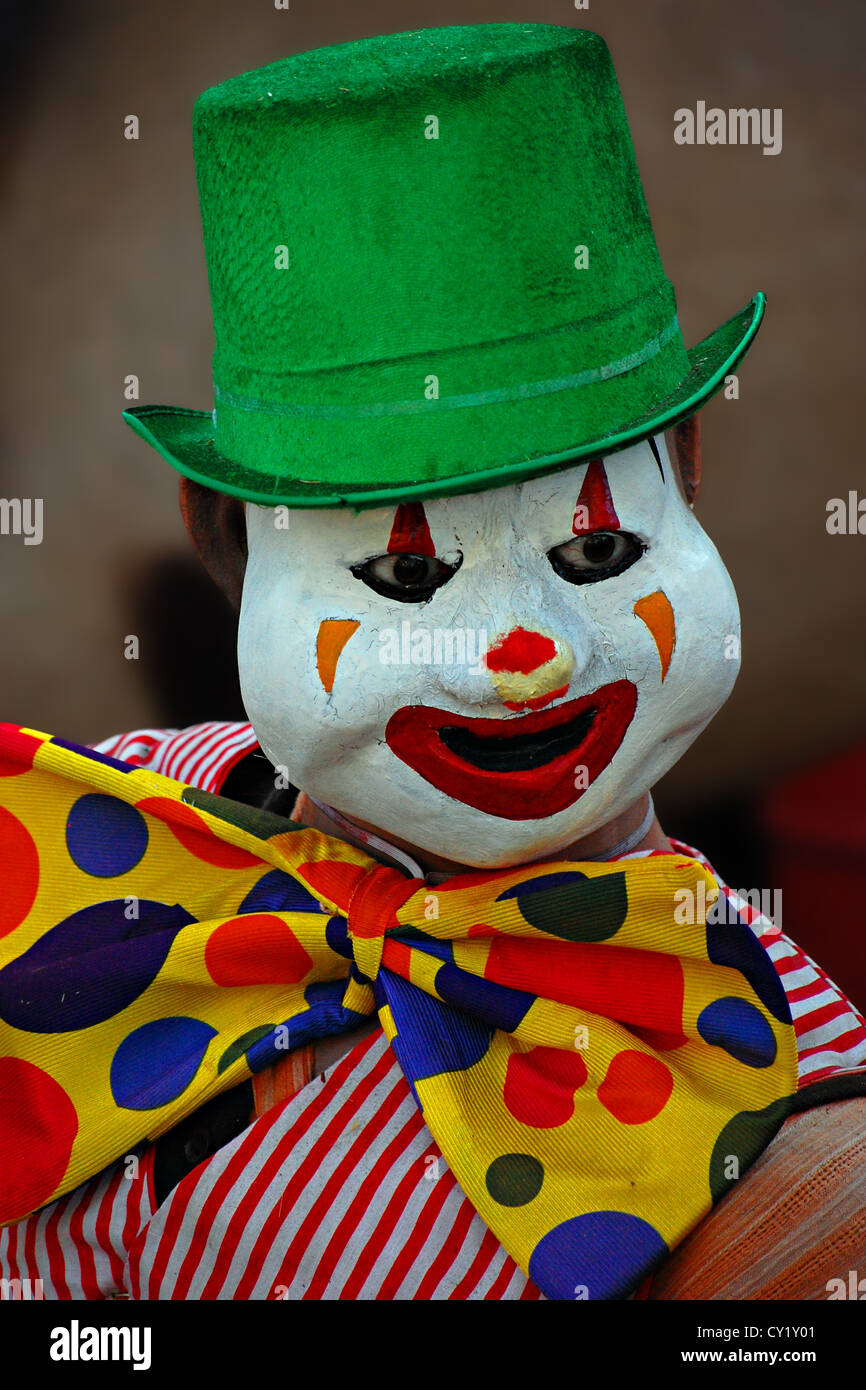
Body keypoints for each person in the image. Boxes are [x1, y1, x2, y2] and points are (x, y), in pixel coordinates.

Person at [1, 23, 864, 1302]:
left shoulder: (776, 1079)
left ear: (687, 486)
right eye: (405, 578)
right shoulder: (92, 846)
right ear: (225, 551)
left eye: (599, 551)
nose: (522, 660)